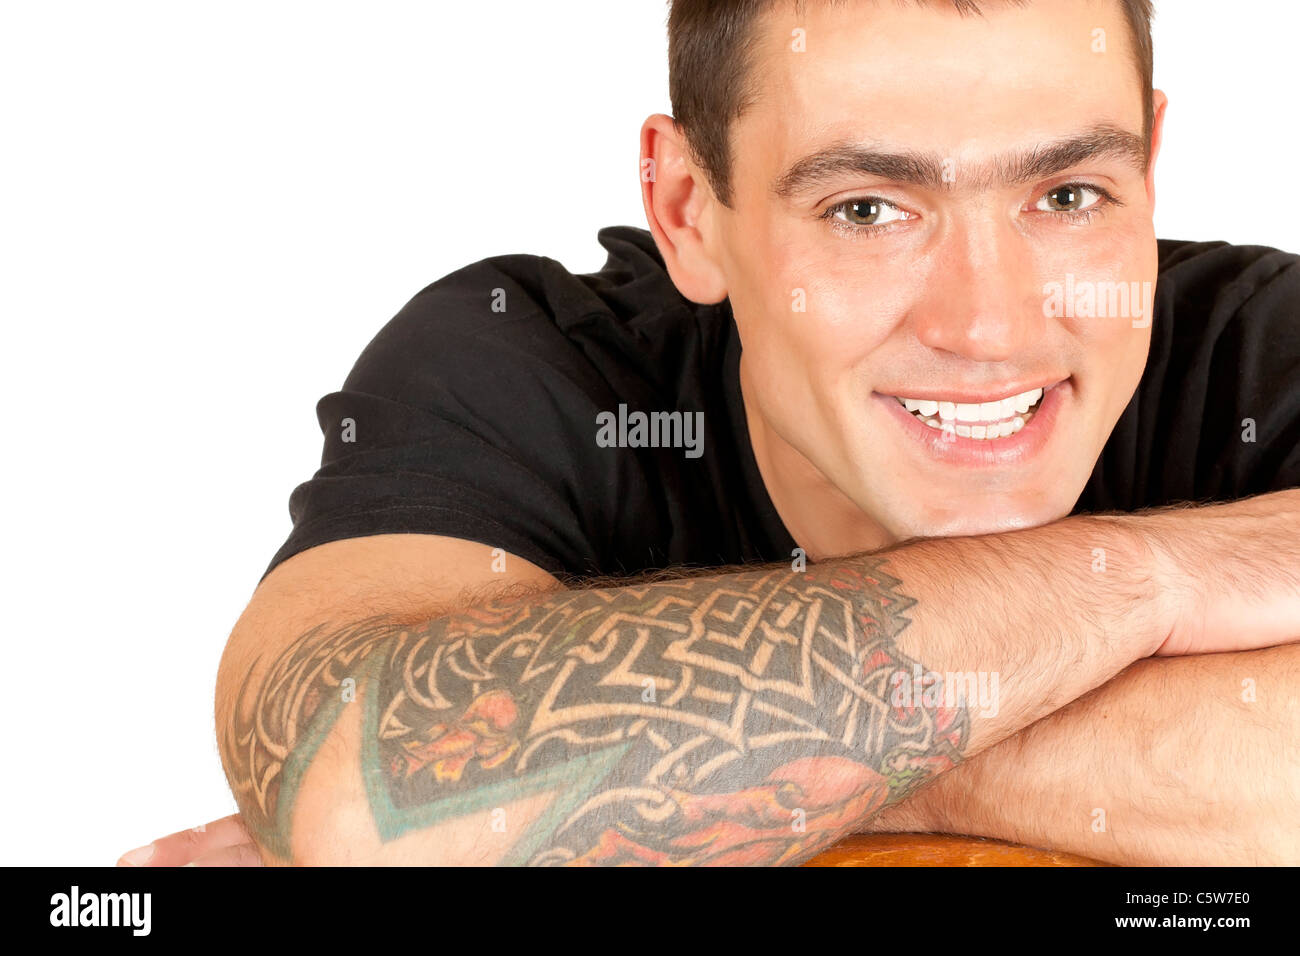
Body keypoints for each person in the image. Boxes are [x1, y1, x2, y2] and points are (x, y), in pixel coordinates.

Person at [118, 0, 1300, 867]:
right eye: (868, 210)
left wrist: (613, 794)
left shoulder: (1268, 351)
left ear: (1151, 163)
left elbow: (414, 828)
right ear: (688, 208)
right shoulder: (529, 363)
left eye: (1066, 195)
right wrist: (1156, 576)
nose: (987, 324)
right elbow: (359, 785)